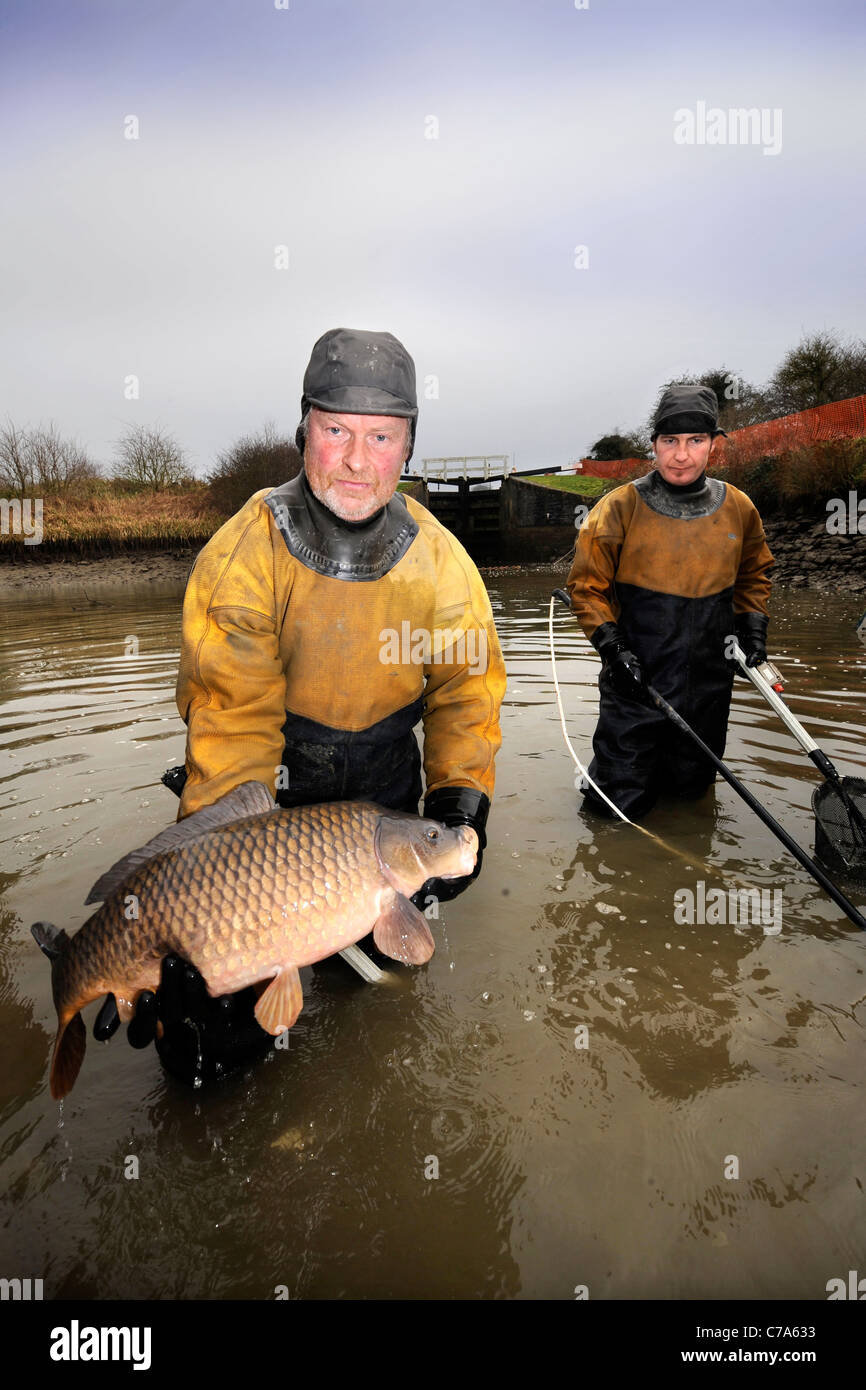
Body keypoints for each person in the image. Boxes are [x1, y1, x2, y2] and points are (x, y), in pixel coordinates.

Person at [95, 327, 506, 1082]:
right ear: (303, 431)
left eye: (381, 436)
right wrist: (198, 893)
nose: (357, 458)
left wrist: (460, 799)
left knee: (382, 1010)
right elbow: (232, 719)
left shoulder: (444, 562)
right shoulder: (243, 553)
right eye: (335, 430)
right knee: (209, 1039)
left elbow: (467, 692)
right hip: (265, 805)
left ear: (409, 446)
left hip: (381, 795)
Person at [566, 384, 774, 821]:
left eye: (695, 441)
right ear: (655, 447)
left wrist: (753, 625)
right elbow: (586, 589)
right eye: (670, 442)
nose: (682, 455)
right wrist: (612, 648)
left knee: (692, 803)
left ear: (714, 445)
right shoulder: (618, 508)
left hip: (709, 691)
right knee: (613, 810)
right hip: (635, 685)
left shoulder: (739, 508)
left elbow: (754, 574)